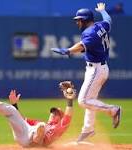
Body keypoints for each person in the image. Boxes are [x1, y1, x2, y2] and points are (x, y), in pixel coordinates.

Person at [51, 3, 121, 143]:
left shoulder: (90, 33)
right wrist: (103, 11)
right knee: (91, 100)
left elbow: (81, 46)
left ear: (85, 20)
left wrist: (68, 51)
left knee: (83, 101)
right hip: (98, 68)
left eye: (79, 20)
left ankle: (113, 109)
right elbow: (108, 20)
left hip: (96, 69)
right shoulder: (101, 26)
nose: (77, 22)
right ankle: (88, 129)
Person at [0, 81, 76, 147]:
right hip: (24, 135)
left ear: (60, 119)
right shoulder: (38, 123)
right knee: (11, 110)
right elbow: (21, 119)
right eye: (53, 112)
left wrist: (70, 100)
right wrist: (15, 104)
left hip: (33, 141)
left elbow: (68, 117)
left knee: (41, 126)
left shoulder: (58, 128)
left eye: (56, 113)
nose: (53, 114)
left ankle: (35, 146)